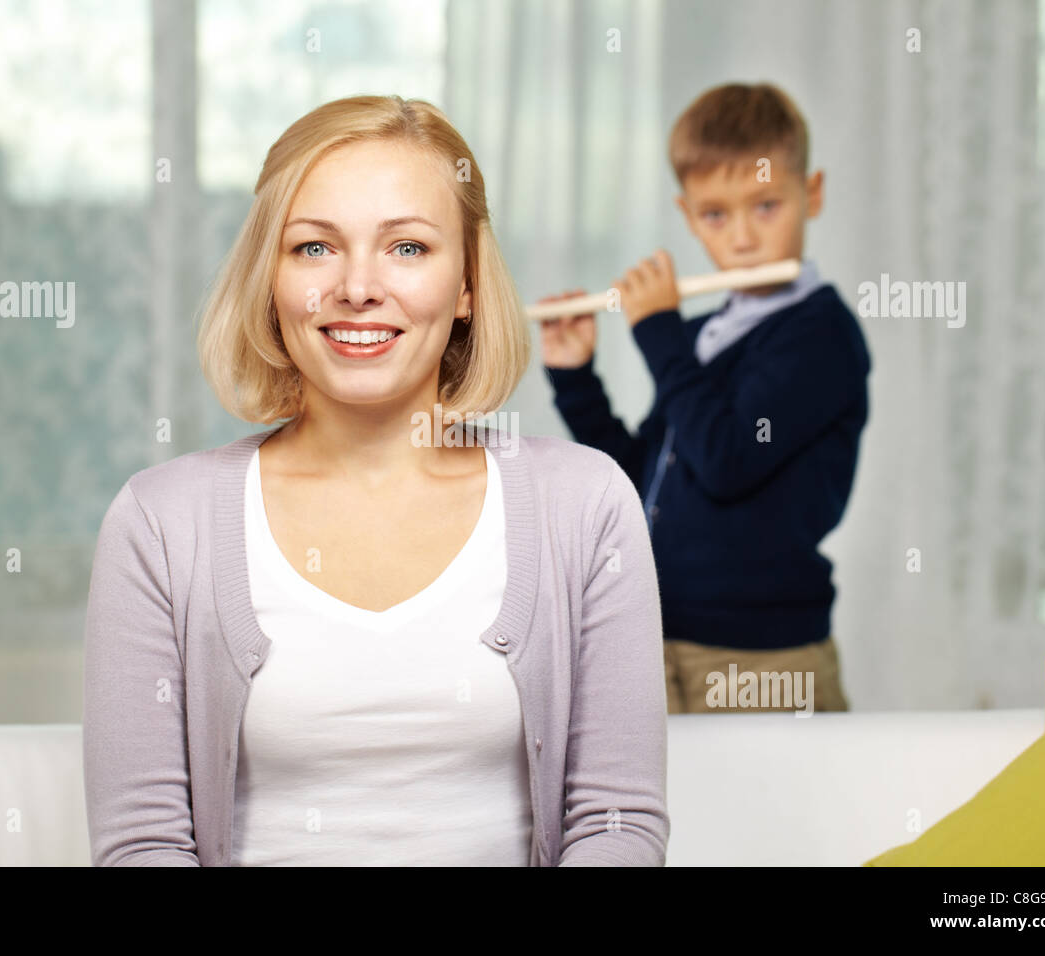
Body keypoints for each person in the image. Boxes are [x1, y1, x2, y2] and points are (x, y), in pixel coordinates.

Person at [82, 94, 668, 866]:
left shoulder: (588, 506)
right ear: (270, 280)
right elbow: (142, 846)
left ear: (466, 287)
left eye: (409, 248)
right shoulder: (158, 525)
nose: (357, 287)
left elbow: (617, 826)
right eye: (315, 248)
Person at [540, 82, 871, 716]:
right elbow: (639, 481)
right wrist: (576, 377)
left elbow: (729, 458)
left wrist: (658, 332)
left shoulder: (821, 336)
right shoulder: (699, 339)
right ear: (689, 216)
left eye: (767, 205)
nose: (743, 237)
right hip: (658, 635)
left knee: (769, 816)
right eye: (716, 214)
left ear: (814, 194)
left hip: (763, 654)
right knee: (678, 817)